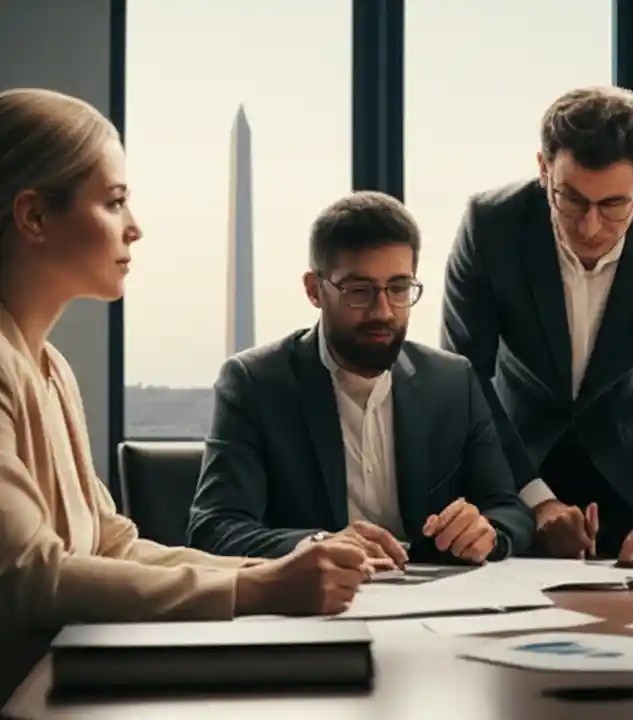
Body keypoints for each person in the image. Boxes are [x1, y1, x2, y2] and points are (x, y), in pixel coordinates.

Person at [0, 88, 368, 702]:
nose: (135, 228)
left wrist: (278, 569)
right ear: (34, 217)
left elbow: (109, 544)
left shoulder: (50, 366)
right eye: (114, 202)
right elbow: (29, 580)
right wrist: (257, 590)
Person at [441, 86, 633, 566]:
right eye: (569, 200)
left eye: (614, 205)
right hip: (513, 477)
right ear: (543, 169)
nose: (590, 227)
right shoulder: (490, 226)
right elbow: (466, 380)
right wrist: (536, 500)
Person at [189, 192, 533, 565]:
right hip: (311, 608)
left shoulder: (453, 382)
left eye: (399, 288)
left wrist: (487, 533)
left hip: (433, 605)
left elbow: (508, 509)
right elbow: (215, 528)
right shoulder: (255, 384)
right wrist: (319, 544)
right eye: (359, 291)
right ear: (314, 290)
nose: (383, 311)